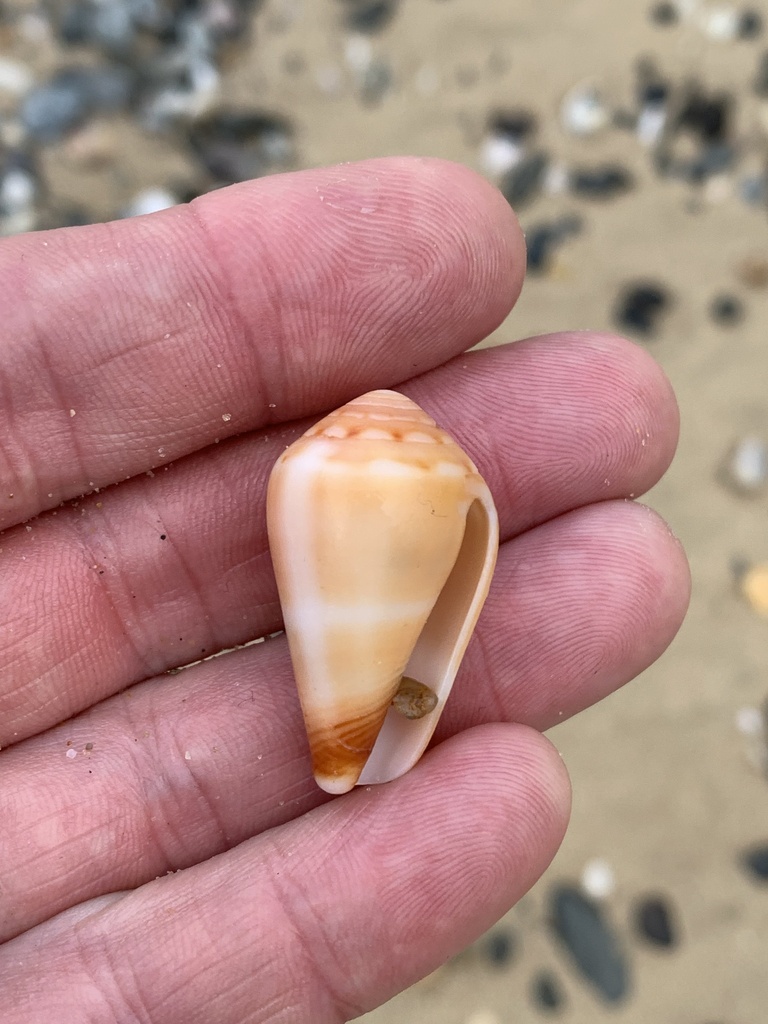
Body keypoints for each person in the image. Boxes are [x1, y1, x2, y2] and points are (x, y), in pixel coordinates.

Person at [0, 157, 689, 1022]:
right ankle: (346, 747)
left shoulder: (315, 476)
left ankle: (347, 746)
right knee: (372, 732)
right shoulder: (336, 478)